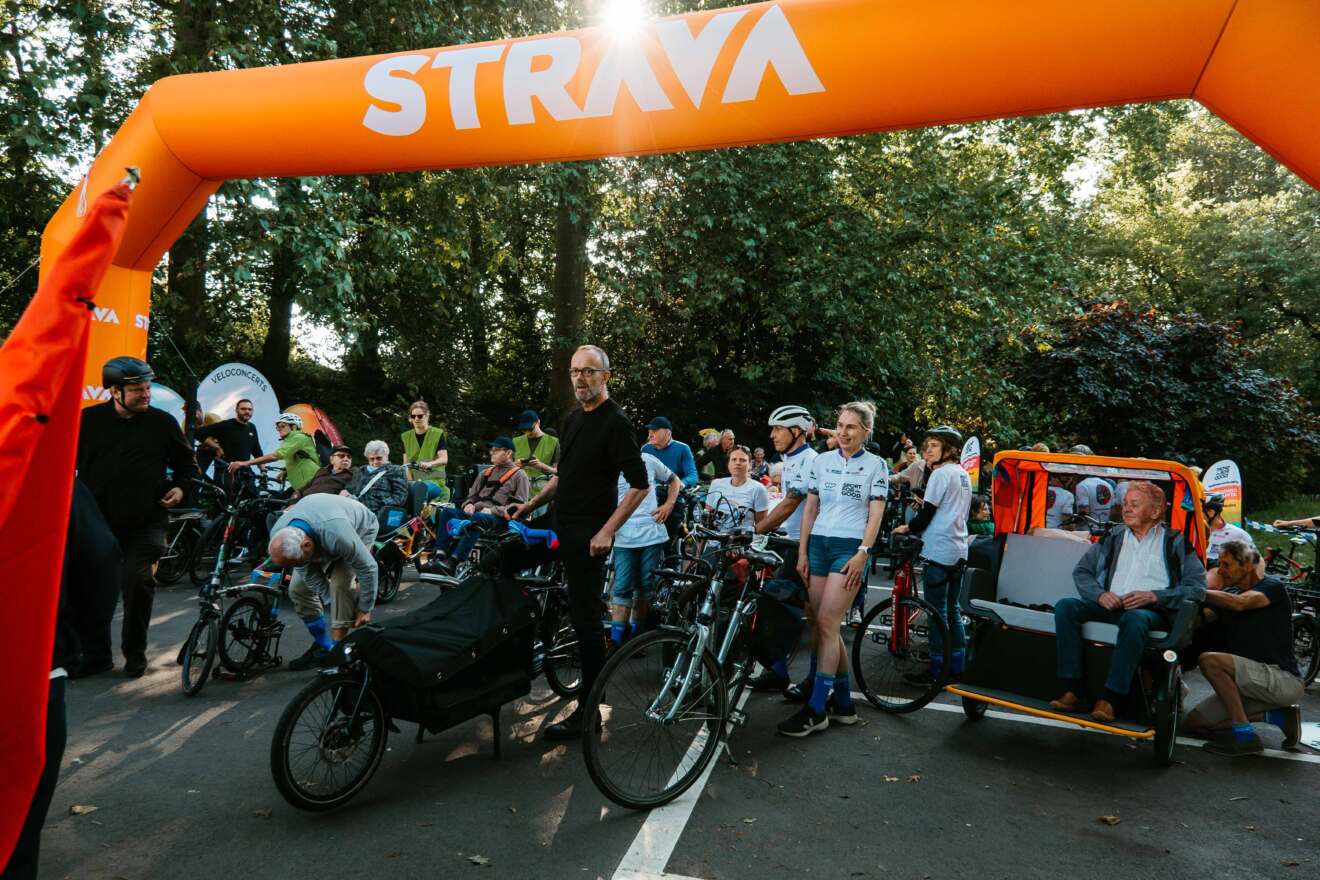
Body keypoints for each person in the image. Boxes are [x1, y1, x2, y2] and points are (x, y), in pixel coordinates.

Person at [509, 344, 649, 740]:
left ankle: (589, 711)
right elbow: (563, 476)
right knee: (501, 560)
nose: (580, 378)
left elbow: (639, 484)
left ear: (605, 376)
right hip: (558, 522)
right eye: (574, 371)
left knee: (586, 620)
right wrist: (530, 506)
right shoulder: (573, 419)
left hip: (589, 535)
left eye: (589, 371)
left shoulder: (615, 422)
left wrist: (607, 530)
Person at [4, 481, 120, 880]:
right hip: (31, 663)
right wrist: (80, 637)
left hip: (36, 661)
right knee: (15, 821)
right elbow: (101, 558)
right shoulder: (48, 472)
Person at [75, 357, 198, 678]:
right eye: (137, 390)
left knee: (138, 581)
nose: (146, 395)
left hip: (147, 521)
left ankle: (135, 653)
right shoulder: (87, 422)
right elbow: (61, 464)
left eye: (147, 388)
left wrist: (181, 489)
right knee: (93, 588)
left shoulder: (162, 423)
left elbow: (188, 465)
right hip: (97, 523)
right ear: (115, 392)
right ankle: (97, 655)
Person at [1048, 481, 1206, 722]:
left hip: (1152, 612)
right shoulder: (1114, 536)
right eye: (1125, 504)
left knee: (1134, 619)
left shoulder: (1176, 542)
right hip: (1112, 604)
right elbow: (1082, 572)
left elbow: (1197, 588)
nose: (1126, 509)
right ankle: (1073, 690)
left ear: (1155, 511)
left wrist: (1155, 595)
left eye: (1134, 504)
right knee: (1066, 607)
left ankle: (1111, 699)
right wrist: (1100, 595)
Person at [779, 402, 887, 737]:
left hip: (849, 548)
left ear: (865, 431)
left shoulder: (876, 465)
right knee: (822, 624)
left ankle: (815, 710)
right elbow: (810, 508)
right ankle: (843, 704)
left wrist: (863, 553)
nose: (842, 432)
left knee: (827, 623)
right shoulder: (822, 462)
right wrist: (802, 551)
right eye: (839, 425)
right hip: (818, 547)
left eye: (851, 427)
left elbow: (876, 515)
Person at [1182, 541, 1304, 755]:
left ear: (1247, 565)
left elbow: (1240, 603)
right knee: (1195, 724)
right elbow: (1204, 618)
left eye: (1226, 565)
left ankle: (1245, 735)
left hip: (1281, 679)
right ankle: (1278, 717)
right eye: (1220, 564)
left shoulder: (1271, 587)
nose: (1220, 570)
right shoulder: (1229, 594)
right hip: (1250, 681)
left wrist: (1197, 591)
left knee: (1210, 661)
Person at [892, 426, 973, 682]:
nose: (927, 451)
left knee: (937, 612)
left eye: (934, 446)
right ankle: (956, 666)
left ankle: (938, 669)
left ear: (949, 450)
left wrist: (907, 526)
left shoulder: (940, 474)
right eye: (927, 445)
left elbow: (927, 514)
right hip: (959, 548)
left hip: (938, 549)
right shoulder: (962, 474)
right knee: (952, 610)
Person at [749, 404, 818, 692]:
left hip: (813, 544)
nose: (772, 434)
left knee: (814, 616)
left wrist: (754, 531)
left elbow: (791, 503)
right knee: (778, 603)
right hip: (795, 541)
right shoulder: (790, 458)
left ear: (797, 432)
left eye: (778, 429)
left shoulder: (809, 460)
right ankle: (778, 670)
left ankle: (813, 680)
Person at [269, 493, 380, 670]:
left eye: (296, 563)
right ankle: (324, 645)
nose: (295, 566)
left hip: (360, 528)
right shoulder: (279, 534)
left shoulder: (337, 535)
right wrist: (331, 601)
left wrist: (365, 607)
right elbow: (308, 573)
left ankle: (337, 651)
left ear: (307, 546)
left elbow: (368, 567)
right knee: (297, 590)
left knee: (341, 583)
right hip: (320, 531)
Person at [608, 452, 681, 652]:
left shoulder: (647, 459)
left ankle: (636, 639)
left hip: (651, 533)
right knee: (622, 586)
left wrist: (668, 504)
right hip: (623, 534)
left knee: (644, 586)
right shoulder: (607, 460)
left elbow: (675, 480)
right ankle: (616, 642)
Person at [428, 437, 531, 573]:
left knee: (479, 517)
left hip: (500, 519)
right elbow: (471, 497)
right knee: (447, 512)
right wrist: (469, 504)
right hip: (477, 513)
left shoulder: (520, 475)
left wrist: (493, 510)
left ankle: (454, 560)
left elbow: (519, 507)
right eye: (491, 450)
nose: (491, 453)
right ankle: (440, 555)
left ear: (508, 453)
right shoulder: (485, 473)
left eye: (496, 450)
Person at [229, 411, 320, 491]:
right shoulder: (292, 440)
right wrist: (286, 472)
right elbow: (301, 460)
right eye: (277, 427)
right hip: (305, 485)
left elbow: (275, 456)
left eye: (283, 426)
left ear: (293, 427)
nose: (279, 429)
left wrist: (245, 463)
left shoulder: (298, 437)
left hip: (311, 484)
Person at [705, 446, 771, 533]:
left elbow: (761, 526)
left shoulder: (758, 489)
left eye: (742, 460)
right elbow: (706, 519)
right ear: (728, 464)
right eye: (734, 459)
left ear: (750, 464)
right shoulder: (716, 484)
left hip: (740, 544)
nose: (738, 463)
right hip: (713, 542)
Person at [343, 440, 410, 512]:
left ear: (386, 456)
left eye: (379, 458)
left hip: (377, 512)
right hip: (356, 508)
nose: (375, 462)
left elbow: (400, 497)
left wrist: (382, 506)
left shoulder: (396, 470)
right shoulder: (362, 470)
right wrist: (346, 492)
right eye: (372, 459)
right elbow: (350, 489)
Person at [401, 400, 449, 501]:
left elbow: (444, 459)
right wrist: (410, 484)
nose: (416, 419)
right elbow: (406, 465)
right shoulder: (405, 437)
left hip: (435, 481)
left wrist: (430, 464)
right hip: (416, 483)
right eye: (413, 416)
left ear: (427, 416)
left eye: (420, 416)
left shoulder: (437, 434)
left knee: (419, 492)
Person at [512, 409, 560, 508]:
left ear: (538, 422)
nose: (527, 432)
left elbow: (558, 472)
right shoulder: (515, 441)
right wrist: (515, 466)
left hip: (542, 494)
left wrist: (542, 466)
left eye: (530, 428)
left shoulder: (554, 442)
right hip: (519, 491)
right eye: (524, 429)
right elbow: (506, 469)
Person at [1204, 493, 1254, 567]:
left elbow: (1255, 562)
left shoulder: (1238, 534)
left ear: (1211, 512)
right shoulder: (1197, 533)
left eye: (1199, 512)